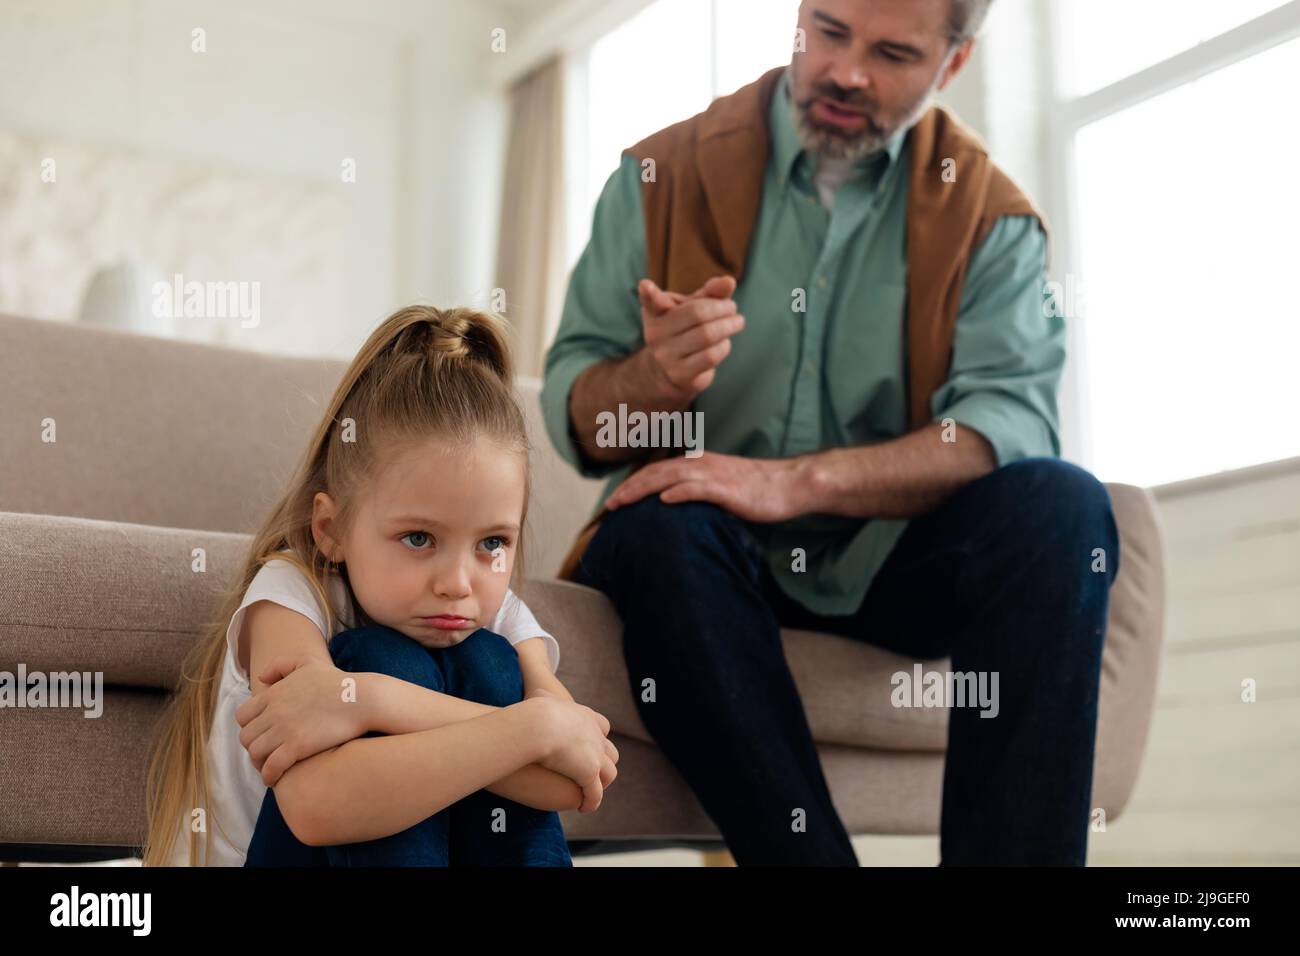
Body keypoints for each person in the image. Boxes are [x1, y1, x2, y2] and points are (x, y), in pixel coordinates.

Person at [541, 0, 1119, 865]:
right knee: (656, 527)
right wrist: (648, 379)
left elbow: (1010, 419)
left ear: (952, 65)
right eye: (830, 30)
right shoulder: (657, 175)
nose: (847, 72)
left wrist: (795, 482)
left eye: (891, 52)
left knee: (1064, 509)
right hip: (699, 558)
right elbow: (573, 407)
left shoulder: (991, 218)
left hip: (889, 563)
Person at [144, 305, 618, 866]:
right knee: (379, 656)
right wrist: (528, 728)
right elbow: (317, 807)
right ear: (332, 529)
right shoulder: (290, 597)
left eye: (493, 544)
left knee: (489, 661)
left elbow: (574, 777)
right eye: (418, 538)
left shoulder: (497, 616)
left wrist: (372, 702)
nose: (457, 583)